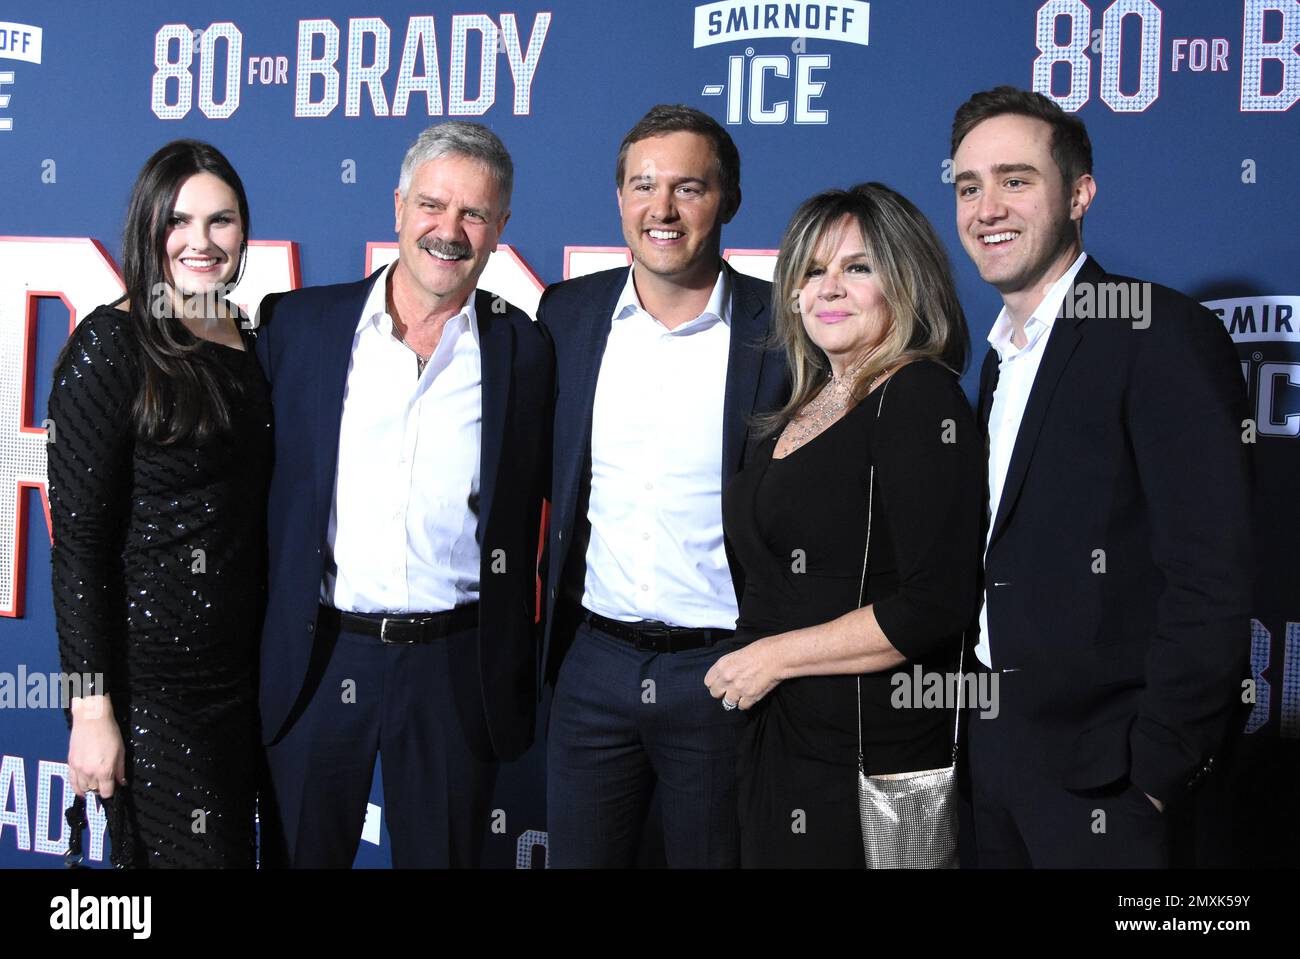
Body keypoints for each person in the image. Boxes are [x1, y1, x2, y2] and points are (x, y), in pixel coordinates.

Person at [951, 86, 1253, 868]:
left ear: (1080, 194)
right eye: (968, 185)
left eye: (1016, 180)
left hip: (1113, 779)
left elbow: (1213, 574)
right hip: (996, 758)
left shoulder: (1156, 331)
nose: (988, 207)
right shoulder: (996, 357)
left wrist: (1155, 770)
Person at [255, 122, 553, 868]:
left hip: (454, 669)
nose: (448, 231)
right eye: (432, 205)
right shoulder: (298, 327)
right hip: (319, 659)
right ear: (397, 208)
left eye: (474, 214)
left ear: (500, 229)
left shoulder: (525, 350)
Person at [703, 183, 982, 868]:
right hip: (782, 740)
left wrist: (773, 657)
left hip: (866, 761)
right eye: (811, 270)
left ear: (906, 281)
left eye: (857, 267)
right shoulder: (800, 403)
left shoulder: (918, 397)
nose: (829, 287)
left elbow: (934, 605)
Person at [539, 104, 788, 868]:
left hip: (720, 674)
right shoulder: (569, 314)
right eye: (643, 185)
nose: (663, 209)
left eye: (689, 187)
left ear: (728, 200)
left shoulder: (783, 328)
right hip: (593, 666)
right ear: (619, 198)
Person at [49, 139, 269, 867]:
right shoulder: (110, 345)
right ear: (149, 227)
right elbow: (77, 546)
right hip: (154, 697)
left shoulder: (252, 339)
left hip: (251, 688)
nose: (201, 242)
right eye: (179, 221)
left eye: (222, 221)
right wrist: (90, 708)